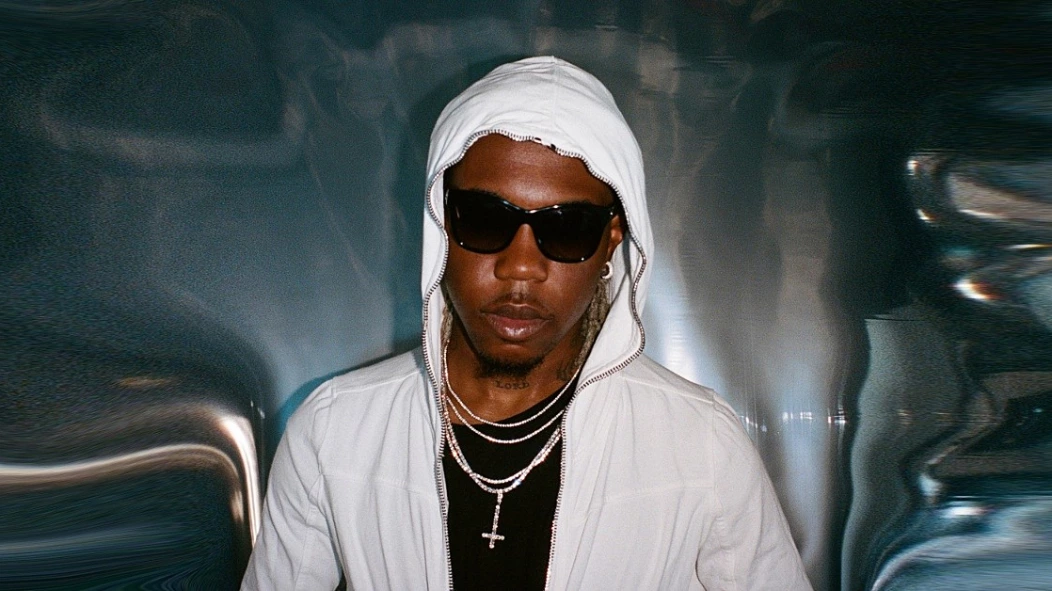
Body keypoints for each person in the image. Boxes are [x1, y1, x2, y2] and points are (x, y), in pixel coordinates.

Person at [241, 56, 811, 590]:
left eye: (566, 228)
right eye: (486, 219)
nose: (520, 266)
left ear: (612, 238)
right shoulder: (335, 431)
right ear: (442, 221)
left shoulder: (700, 445)